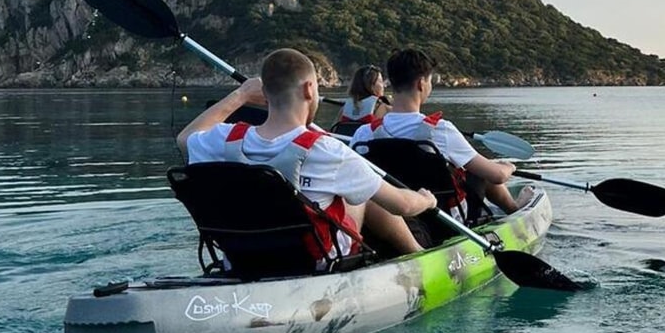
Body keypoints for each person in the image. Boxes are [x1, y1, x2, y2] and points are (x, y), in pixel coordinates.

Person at [176, 48, 436, 268]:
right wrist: (426, 199)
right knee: (360, 194)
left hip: (243, 258)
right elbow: (402, 205)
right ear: (310, 89)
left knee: (355, 188)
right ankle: (419, 256)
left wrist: (240, 95)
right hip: (314, 262)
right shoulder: (328, 151)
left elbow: (184, 138)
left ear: (264, 93)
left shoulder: (223, 139)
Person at [351, 49, 530, 222]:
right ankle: (514, 209)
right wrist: (508, 166)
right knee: (480, 169)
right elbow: (498, 176)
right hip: (444, 219)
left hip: (392, 216)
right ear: (421, 84)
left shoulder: (364, 133)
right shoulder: (440, 130)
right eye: (430, 81)